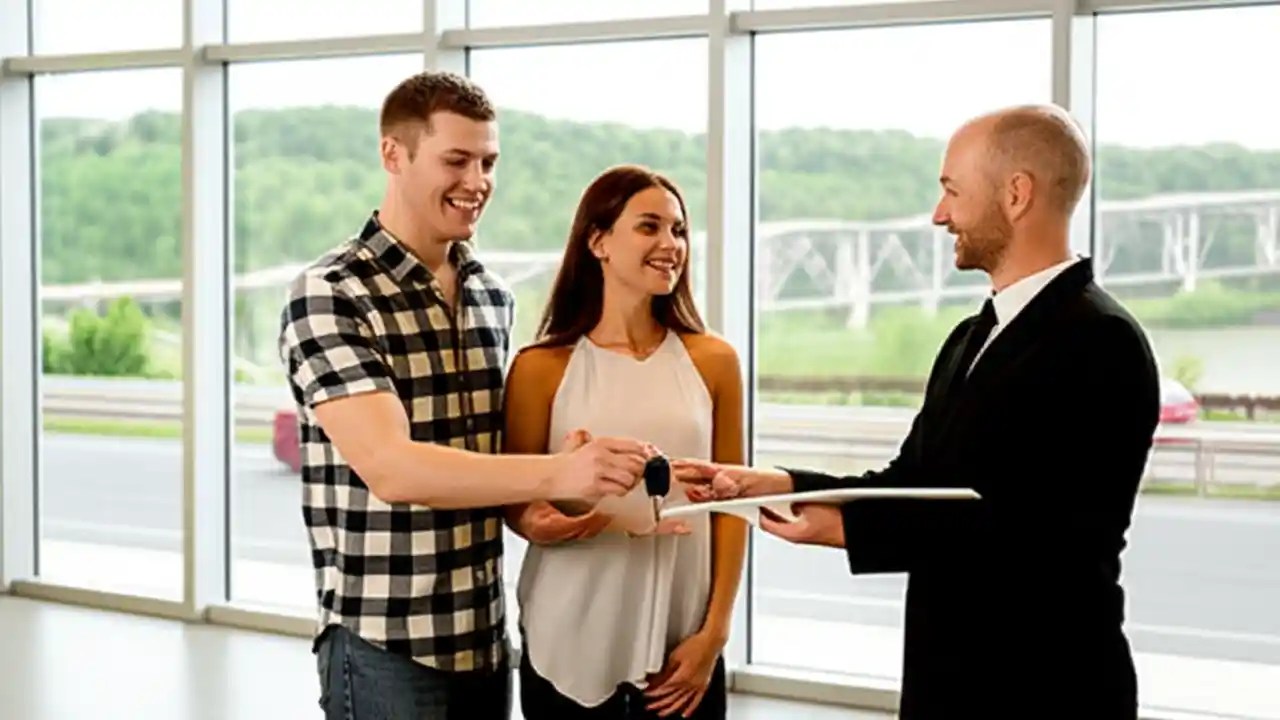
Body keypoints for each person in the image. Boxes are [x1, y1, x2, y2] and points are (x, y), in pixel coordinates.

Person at [676, 104, 1161, 719]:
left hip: (1047, 689)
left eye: (951, 191)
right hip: (949, 683)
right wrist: (788, 485)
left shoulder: (1102, 340)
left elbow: (1036, 534)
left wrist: (846, 528)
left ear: (1016, 194)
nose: (940, 215)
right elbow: (913, 483)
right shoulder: (969, 336)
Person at [277, 71, 651, 720]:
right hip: (384, 647)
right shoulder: (330, 294)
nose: (476, 182)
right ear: (393, 155)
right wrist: (560, 470)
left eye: (488, 162)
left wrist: (545, 503)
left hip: (484, 640)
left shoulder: (490, 295)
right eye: (456, 160)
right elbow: (392, 468)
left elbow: (486, 465)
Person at [501, 164, 748, 720]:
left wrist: (714, 635)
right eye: (649, 227)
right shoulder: (541, 367)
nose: (670, 244)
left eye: (679, 230)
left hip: (683, 651)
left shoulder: (714, 362)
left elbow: (734, 505)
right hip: (568, 638)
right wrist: (599, 516)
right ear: (598, 241)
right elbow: (520, 507)